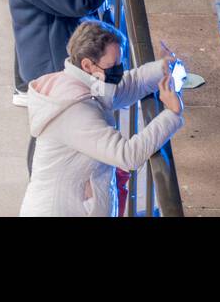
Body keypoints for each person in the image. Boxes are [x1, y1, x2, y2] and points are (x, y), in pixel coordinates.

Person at [20, 18, 184, 218]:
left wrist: (162, 69)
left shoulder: (77, 82)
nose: (119, 69)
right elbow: (127, 155)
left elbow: (126, 86)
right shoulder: (75, 111)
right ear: (88, 64)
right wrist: (171, 113)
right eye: (112, 64)